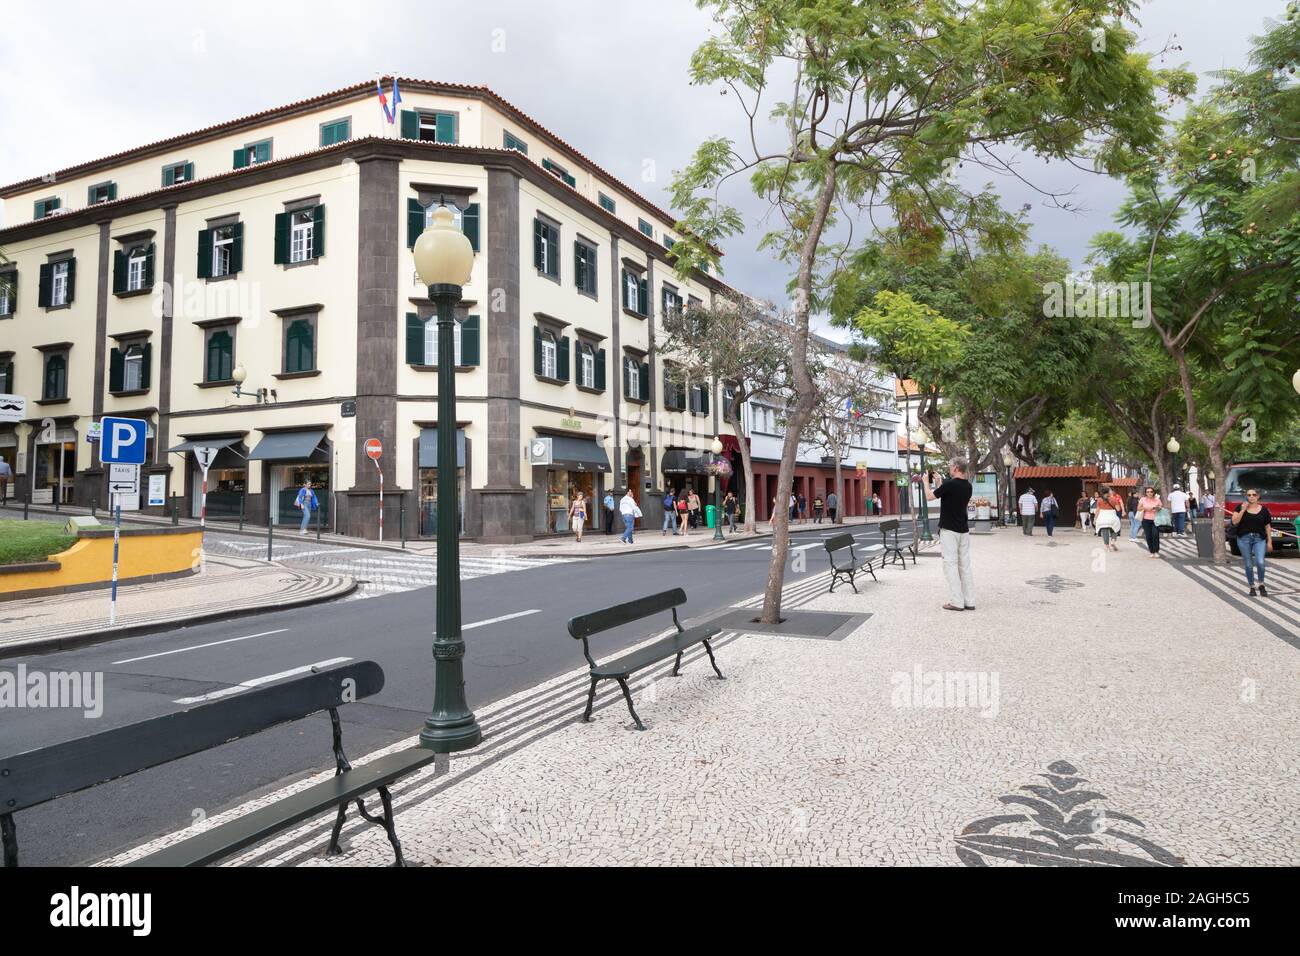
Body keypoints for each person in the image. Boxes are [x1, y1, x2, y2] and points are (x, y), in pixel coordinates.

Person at [923, 460, 974, 612]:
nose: (949, 468)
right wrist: (939, 483)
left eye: (951, 466)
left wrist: (926, 482)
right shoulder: (968, 486)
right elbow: (948, 498)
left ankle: (957, 601)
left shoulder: (950, 484)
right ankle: (969, 600)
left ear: (956, 468)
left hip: (949, 531)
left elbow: (930, 497)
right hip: (963, 530)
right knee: (964, 565)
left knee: (950, 565)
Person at [1230, 488, 1273, 596]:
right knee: (1248, 564)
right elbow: (1235, 521)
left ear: (1258, 496)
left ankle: (1261, 584)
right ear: (1246, 496)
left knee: (1260, 562)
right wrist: (1243, 510)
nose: (1251, 497)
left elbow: (1267, 527)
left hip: (1259, 539)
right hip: (1244, 539)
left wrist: (1269, 542)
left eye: (1254, 494)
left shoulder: (1264, 510)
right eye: (1249, 495)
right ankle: (1252, 586)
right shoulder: (1240, 507)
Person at [1094, 485, 1123, 551]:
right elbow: (1118, 509)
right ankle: (1113, 541)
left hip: (1102, 516)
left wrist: (1095, 519)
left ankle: (1107, 547)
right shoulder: (1113, 499)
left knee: (1104, 531)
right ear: (1108, 492)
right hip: (1112, 516)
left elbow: (1098, 510)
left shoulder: (1099, 500)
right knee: (1114, 529)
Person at [1137, 485, 1162, 557]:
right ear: (1146, 493)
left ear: (1153, 492)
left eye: (1151, 492)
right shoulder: (1143, 499)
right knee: (1148, 536)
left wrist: (1156, 508)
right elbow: (1138, 508)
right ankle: (1151, 551)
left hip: (1156, 520)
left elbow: (1160, 507)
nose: (1149, 493)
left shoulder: (1157, 499)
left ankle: (1156, 551)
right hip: (1145, 520)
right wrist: (1146, 508)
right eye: (1147, 492)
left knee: (1155, 535)